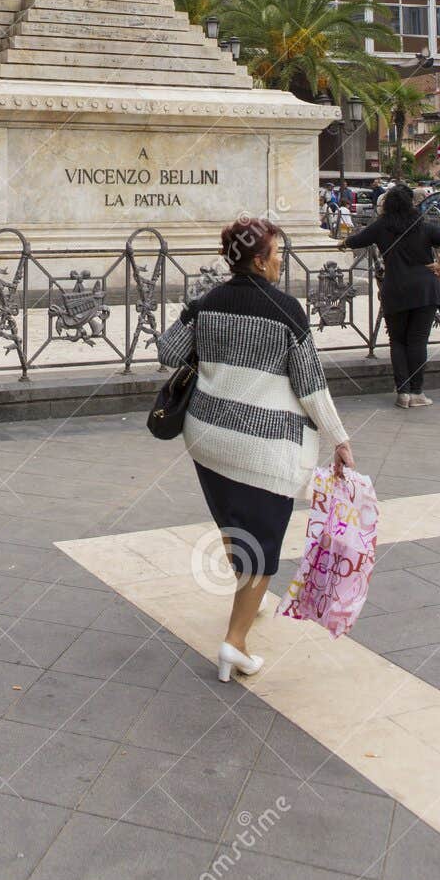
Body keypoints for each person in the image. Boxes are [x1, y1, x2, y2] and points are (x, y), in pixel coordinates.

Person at [157, 215, 355, 683]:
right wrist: (340, 439)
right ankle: (235, 642)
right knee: (262, 546)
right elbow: (311, 386)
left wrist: (209, 344)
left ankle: (250, 600)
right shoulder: (287, 311)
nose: (280, 262)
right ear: (261, 259)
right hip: (263, 446)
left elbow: (167, 350)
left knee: (233, 525)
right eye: (277, 255)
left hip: (207, 437)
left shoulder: (207, 301)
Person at [343, 183, 440, 408]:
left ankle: (403, 393)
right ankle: (417, 393)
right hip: (424, 290)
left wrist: (342, 243)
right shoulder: (422, 226)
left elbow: (356, 240)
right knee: (417, 341)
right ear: (411, 204)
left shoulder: (381, 226)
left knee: (397, 340)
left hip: (395, 288)